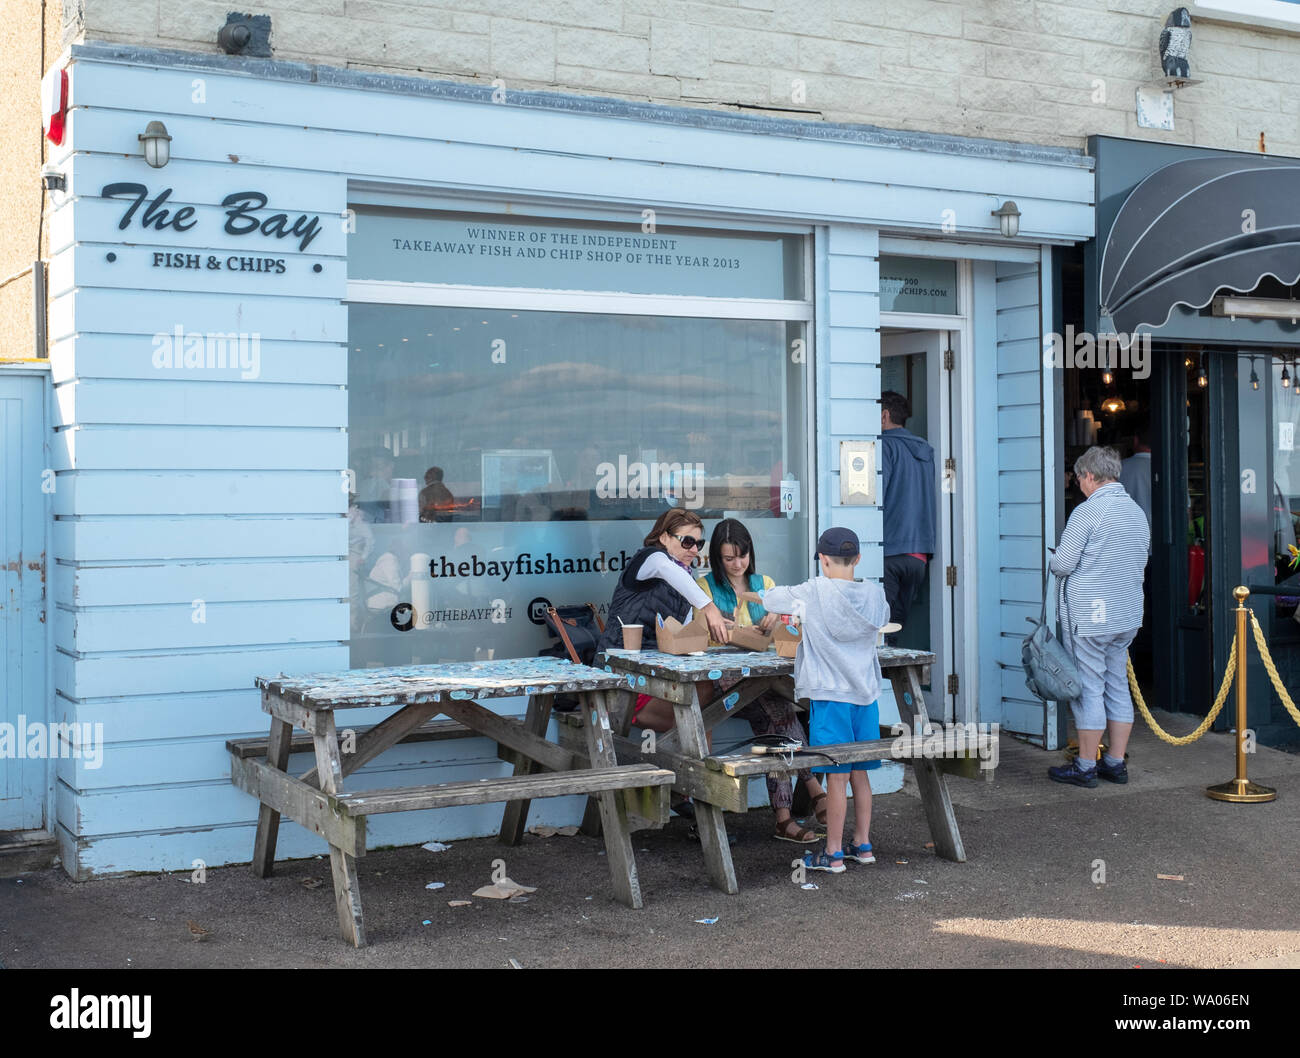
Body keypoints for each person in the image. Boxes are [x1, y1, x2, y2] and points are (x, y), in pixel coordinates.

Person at [751, 527, 891, 874]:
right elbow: (885, 620)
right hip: (866, 696)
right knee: (860, 773)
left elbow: (771, 598)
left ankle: (832, 853)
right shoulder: (874, 594)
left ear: (822, 559)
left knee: (837, 777)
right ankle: (863, 843)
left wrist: (751, 595)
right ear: (857, 559)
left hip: (830, 698)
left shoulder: (813, 591)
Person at [693, 518, 828, 843]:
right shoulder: (705, 588)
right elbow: (700, 638)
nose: (737, 564)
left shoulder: (764, 583)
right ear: (717, 558)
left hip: (765, 681)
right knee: (780, 713)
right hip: (726, 685)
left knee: (777, 720)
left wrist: (780, 618)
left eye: (742, 556)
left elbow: (792, 626)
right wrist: (735, 635)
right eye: (729, 558)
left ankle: (786, 817)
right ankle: (812, 790)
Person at [1047, 446, 1151, 788]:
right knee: (1117, 685)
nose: (1078, 484)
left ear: (1090, 476)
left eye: (1079, 478)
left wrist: (1054, 558)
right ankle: (1115, 763)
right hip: (1127, 614)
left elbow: (1062, 564)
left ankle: (1085, 765)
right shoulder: (1136, 512)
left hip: (1091, 616)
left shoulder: (1087, 512)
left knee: (1088, 688)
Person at [597, 507, 731, 734]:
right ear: (664, 537)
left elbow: (683, 632)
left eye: (699, 543)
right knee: (698, 714)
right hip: (622, 675)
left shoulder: (685, 575)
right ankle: (692, 762)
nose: (694, 549)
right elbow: (665, 568)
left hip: (657, 672)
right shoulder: (650, 558)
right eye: (687, 541)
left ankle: (692, 762)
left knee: (704, 698)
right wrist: (710, 608)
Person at [880, 390, 936, 643]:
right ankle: (893, 682)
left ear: (884, 415)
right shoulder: (925, 451)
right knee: (895, 630)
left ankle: (880, 684)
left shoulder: (885, 445)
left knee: (878, 632)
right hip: (919, 556)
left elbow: (875, 497)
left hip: (890, 552)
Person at [1119, 422, 1152, 530]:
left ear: (1135, 440)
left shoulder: (1118, 467)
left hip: (1128, 535)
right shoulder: (1169, 469)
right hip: (1162, 535)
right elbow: (1185, 508)